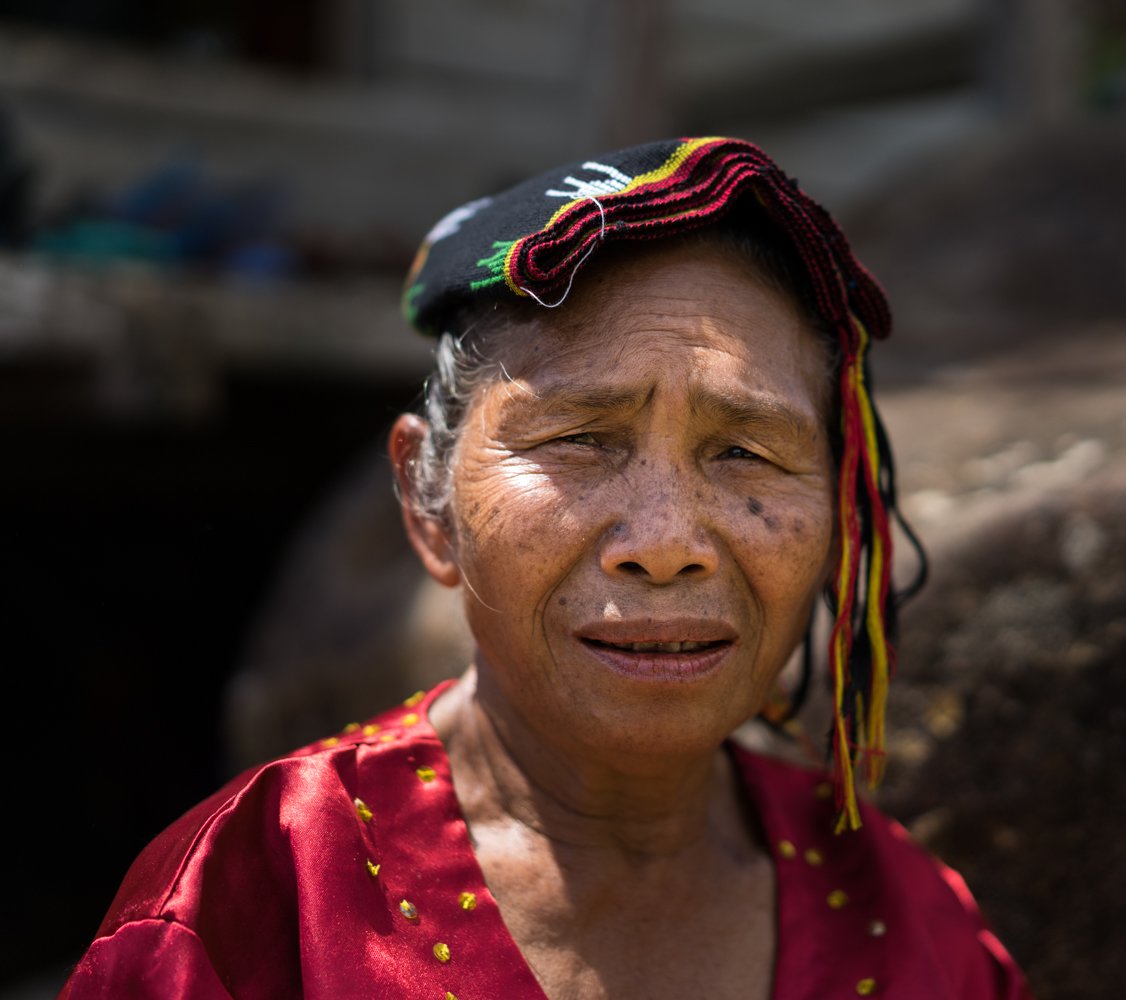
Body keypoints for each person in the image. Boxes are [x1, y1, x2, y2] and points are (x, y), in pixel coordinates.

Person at [59, 137, 1032, 999]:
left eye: (746, 451)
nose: (665, 539)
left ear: (837, 514)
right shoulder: (250, 906)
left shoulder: (910, 925)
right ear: (425, 499)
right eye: (580, 439)